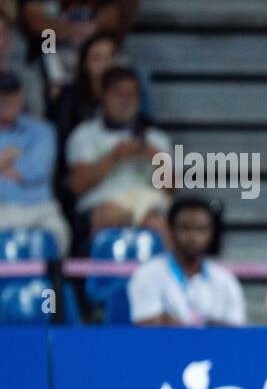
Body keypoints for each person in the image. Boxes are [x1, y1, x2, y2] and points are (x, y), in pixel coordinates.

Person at [65, 66, 170, 236]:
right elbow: (78, 185)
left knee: (157, 223)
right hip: (100, 207)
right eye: (118, 94)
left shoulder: (156, 138)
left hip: (148, 207)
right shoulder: (83, 135)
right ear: (103, 96)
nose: (125, 101)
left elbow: (171, 189)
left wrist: (153, 156)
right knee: (108, 216)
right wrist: (114, 157)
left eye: (131, 95)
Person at [128, 196, 246, 327]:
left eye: (201, 229)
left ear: (211, 233)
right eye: (185, 228)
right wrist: (205, 329)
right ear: (170, 230)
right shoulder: (147, 273)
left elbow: (235, 331)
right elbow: (147, 324)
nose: (193, 236)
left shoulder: (225, 279)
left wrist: (171, 322)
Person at [0, 70, 65, 254]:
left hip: (37, 210)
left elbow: (34, 170)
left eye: (12, 93)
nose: (6, 99)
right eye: (1, 94)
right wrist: (8, 158)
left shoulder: (41, 131)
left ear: (21, 95)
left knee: (57, 234)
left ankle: (54, 282)